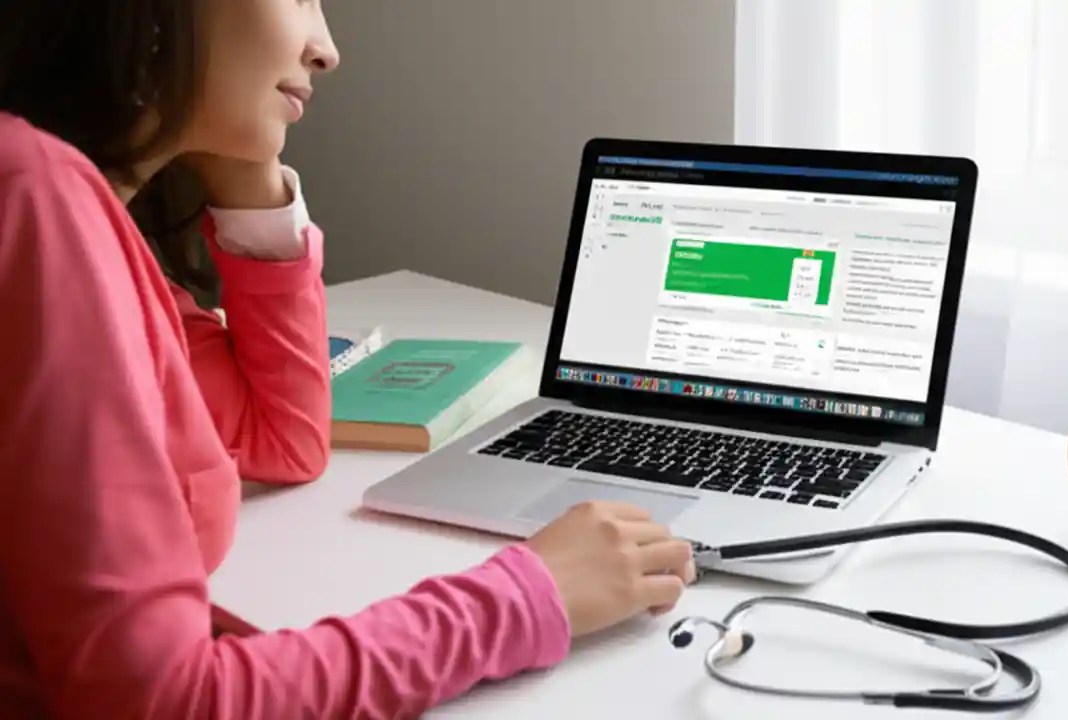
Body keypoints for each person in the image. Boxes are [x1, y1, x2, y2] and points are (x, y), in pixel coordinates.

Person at [0, 1, 694, 717]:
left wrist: (250, 179)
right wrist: (524, 598)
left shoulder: (80, 219)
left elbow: (282, 440)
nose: (327, 50)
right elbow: (169, 703)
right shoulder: (34, 199)